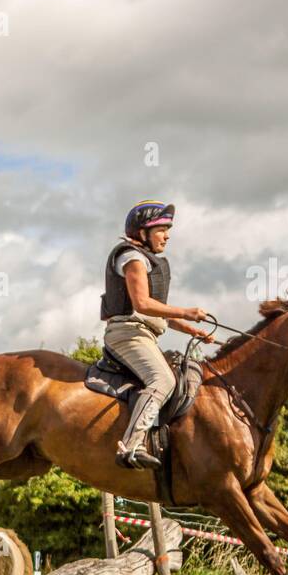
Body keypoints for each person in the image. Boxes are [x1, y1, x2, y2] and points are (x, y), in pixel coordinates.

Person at [100, 201, 215, 469]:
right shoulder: (133, 258)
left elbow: (156, 313)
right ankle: (131, 446)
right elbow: (142, 304)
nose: (167, 235)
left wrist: (191, 329)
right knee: (162, 380)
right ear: (142, 233)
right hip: (127, 335)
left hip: (144, 334)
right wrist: (186, 312)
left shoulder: (148, 259)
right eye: (161, 229)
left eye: (167, 229)